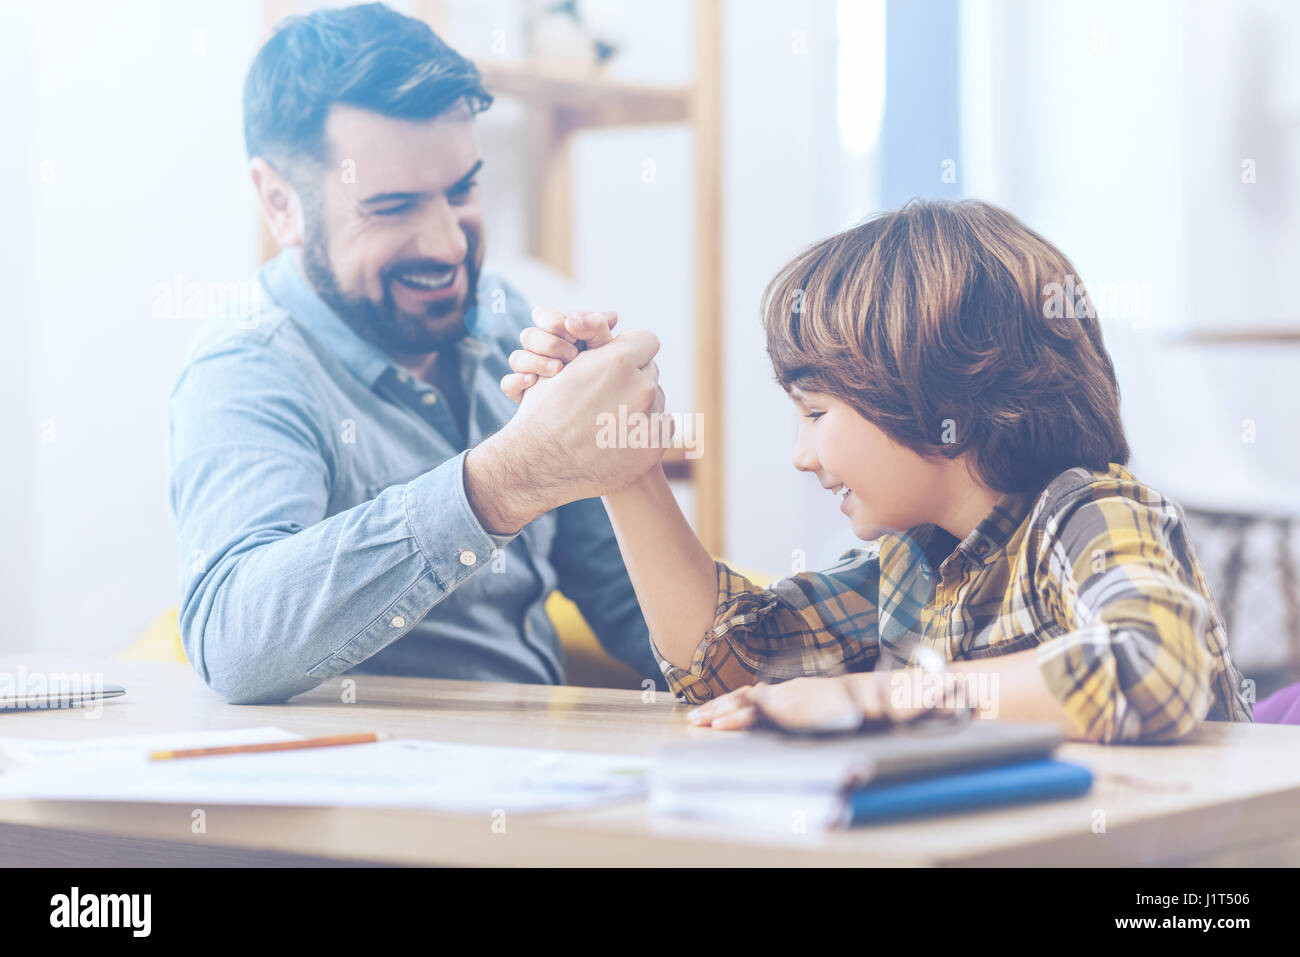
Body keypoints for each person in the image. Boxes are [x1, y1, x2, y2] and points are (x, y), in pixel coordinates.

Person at [503, 199, 1255, 743]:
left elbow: (1151, 665)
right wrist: (625, 468)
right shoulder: (913, 562)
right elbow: (730, 663)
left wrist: (879, 695)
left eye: (816, 412)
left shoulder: (1088, 511)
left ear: (938, 397)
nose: (803, 456)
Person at [168, 3, 668, 703]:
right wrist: (504, 481)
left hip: (544, 779)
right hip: (365, 796)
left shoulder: (504, 322)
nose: (449, 244)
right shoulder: (246, 369)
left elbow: (631, 605)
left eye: (462, 189)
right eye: (393, 206)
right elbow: (235, 643)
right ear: (280, 202)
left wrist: (627, 464)